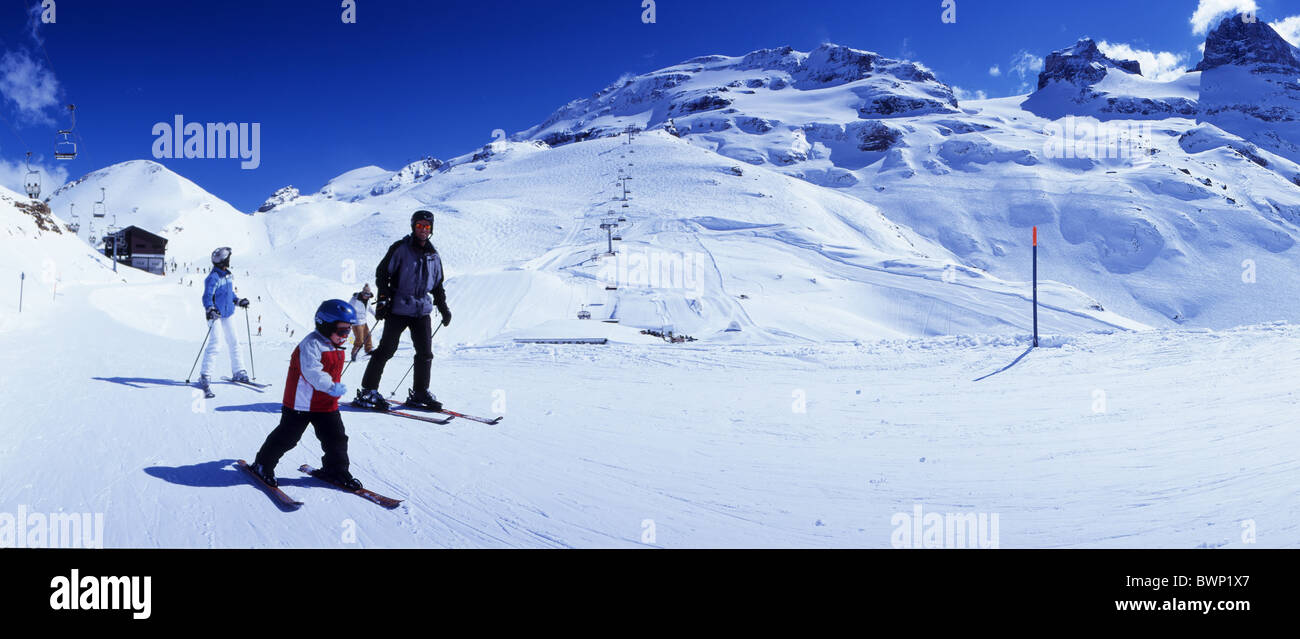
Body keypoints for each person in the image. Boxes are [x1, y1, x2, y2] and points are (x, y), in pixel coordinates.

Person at [247, 300, 360, 489]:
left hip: (326, 404)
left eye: (349, 331)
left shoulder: (335, 344)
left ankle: (336, 470)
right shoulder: (311, 344)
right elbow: (313, 372)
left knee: (336, 438)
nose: (345, 335)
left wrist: (331, 391)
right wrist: (331, 386)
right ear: (325, 325)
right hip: (301, 403)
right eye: (342, 331)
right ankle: (262, 464)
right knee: (287, 437)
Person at [354, 210, 452, 412]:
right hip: (398, 308)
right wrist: (382, 300)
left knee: (425, 353)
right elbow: (382, 273)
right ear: (413, 227)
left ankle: (420, 393)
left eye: (427, 226)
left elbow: (437, 285)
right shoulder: (400, 248)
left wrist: (443, 307)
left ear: (431, 229)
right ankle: (368, 390)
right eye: (419, 226)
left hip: (421, 310)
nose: (423, 230)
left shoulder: (434, 255)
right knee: (387, 350)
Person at [198, 247, 250, 391]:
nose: (229, 261)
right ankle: (205, 375)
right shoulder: (213, 277)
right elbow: (207, 297)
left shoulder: (227, 275)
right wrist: (210, 308)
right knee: (216, 343)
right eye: (227, 259)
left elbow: (229, 294)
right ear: (223, 260)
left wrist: (238, 301)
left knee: (234, 342)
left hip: (228, 314)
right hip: (215, 315)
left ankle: (239, 371)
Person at [348, 283, 376, 362]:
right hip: (356, 322)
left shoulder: (368, 300)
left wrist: (376, 315)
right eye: (366, 294)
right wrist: (348, 319)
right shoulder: (355, 299)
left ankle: (369, 350)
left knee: (368, 336)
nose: (367, 296)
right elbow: (348, 308)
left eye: (368, 294)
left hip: (364, 321)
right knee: (359, 339)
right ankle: (354, 354)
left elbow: (370, 308)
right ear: (363, 293)